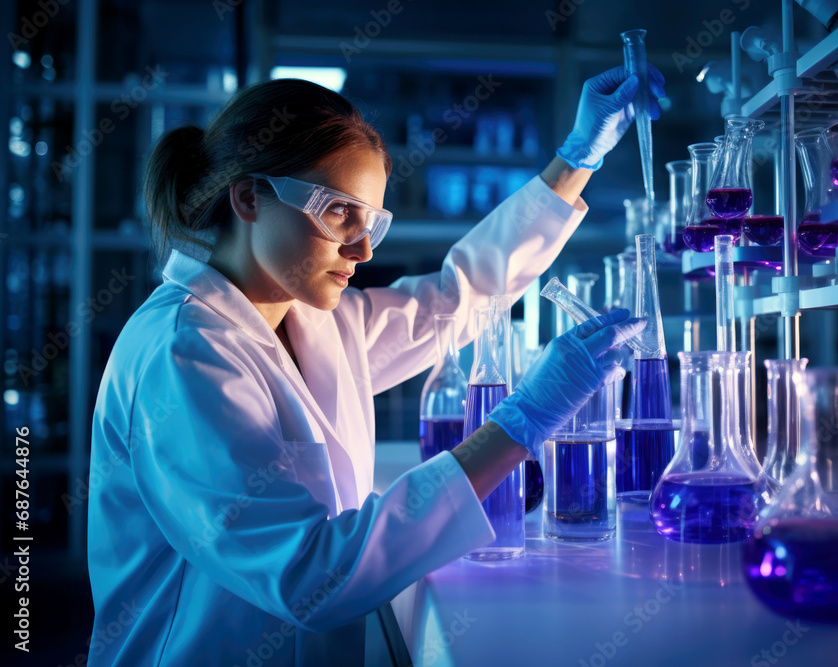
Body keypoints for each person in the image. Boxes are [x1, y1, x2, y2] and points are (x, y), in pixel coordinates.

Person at [87, 65, 665, 666]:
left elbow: (457, 298)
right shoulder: (181, 354)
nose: (363, 251)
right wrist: (521, 423)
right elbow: (309, 575)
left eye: (371, 223)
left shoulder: (314, 317)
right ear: (249, 197)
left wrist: (577, 158)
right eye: (339, 214)